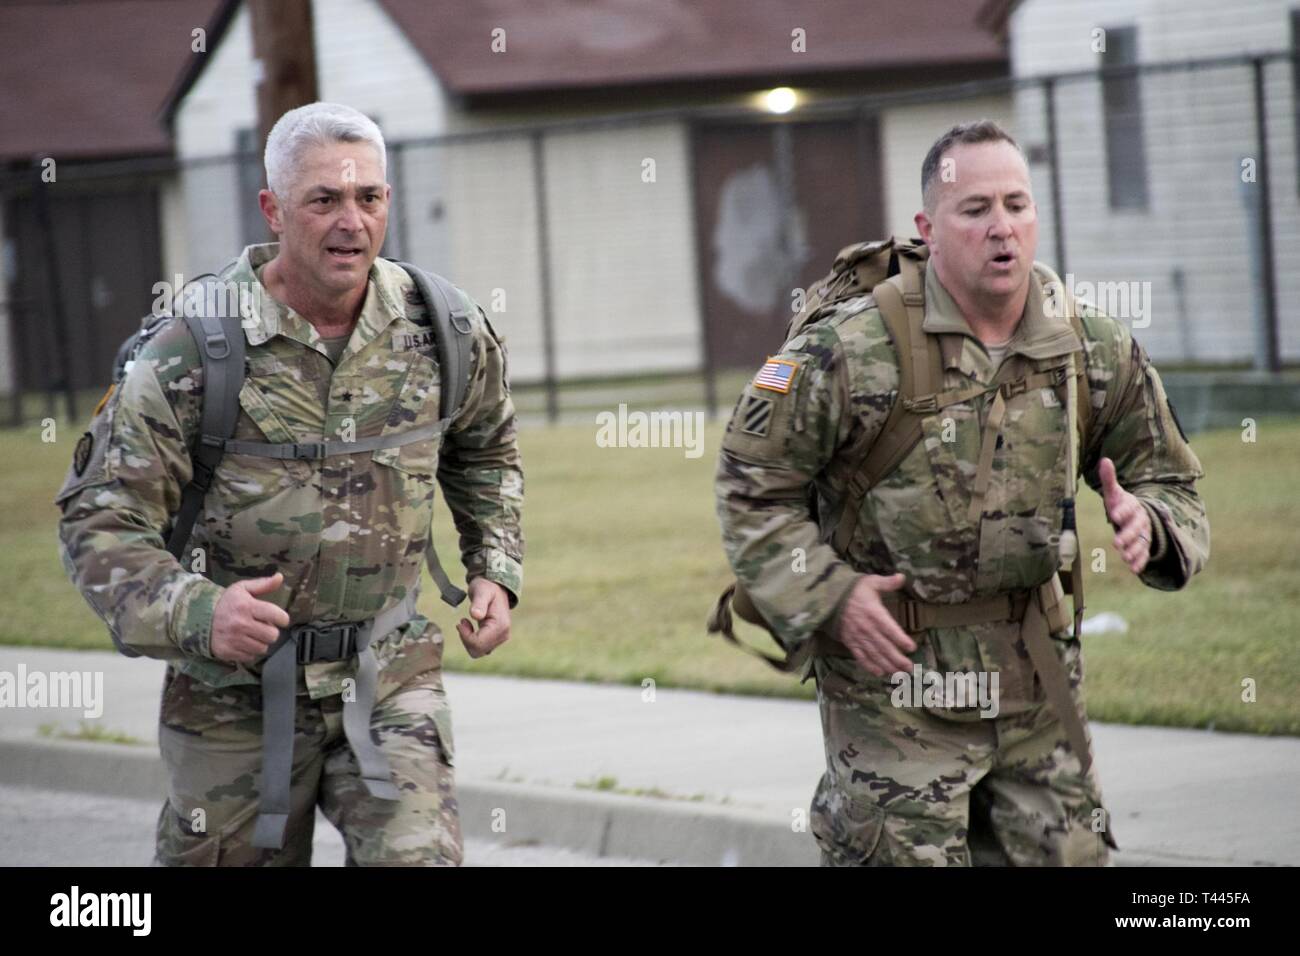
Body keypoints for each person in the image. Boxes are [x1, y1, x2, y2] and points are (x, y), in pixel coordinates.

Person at [714, 120, 1208, 866]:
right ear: (929, 228)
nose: (1001, 228)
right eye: (975, 209)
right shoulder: (849, 351)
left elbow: (1170, 477)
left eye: (1017, 204)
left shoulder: (1089, 347)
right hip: (895, 695)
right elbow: (751, 486)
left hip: (1037, 686)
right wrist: (832, 595)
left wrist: (1153, 523)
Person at [55, 102, 523, 866]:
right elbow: (100, 525)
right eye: (324, 200)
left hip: (388, 673)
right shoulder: (191, 350)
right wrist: (200, 611)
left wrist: (494, 570)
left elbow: (486, 450)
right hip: (231, 699)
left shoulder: (444, 328)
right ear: (273, 209)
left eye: (368, 197)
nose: (351, 221)